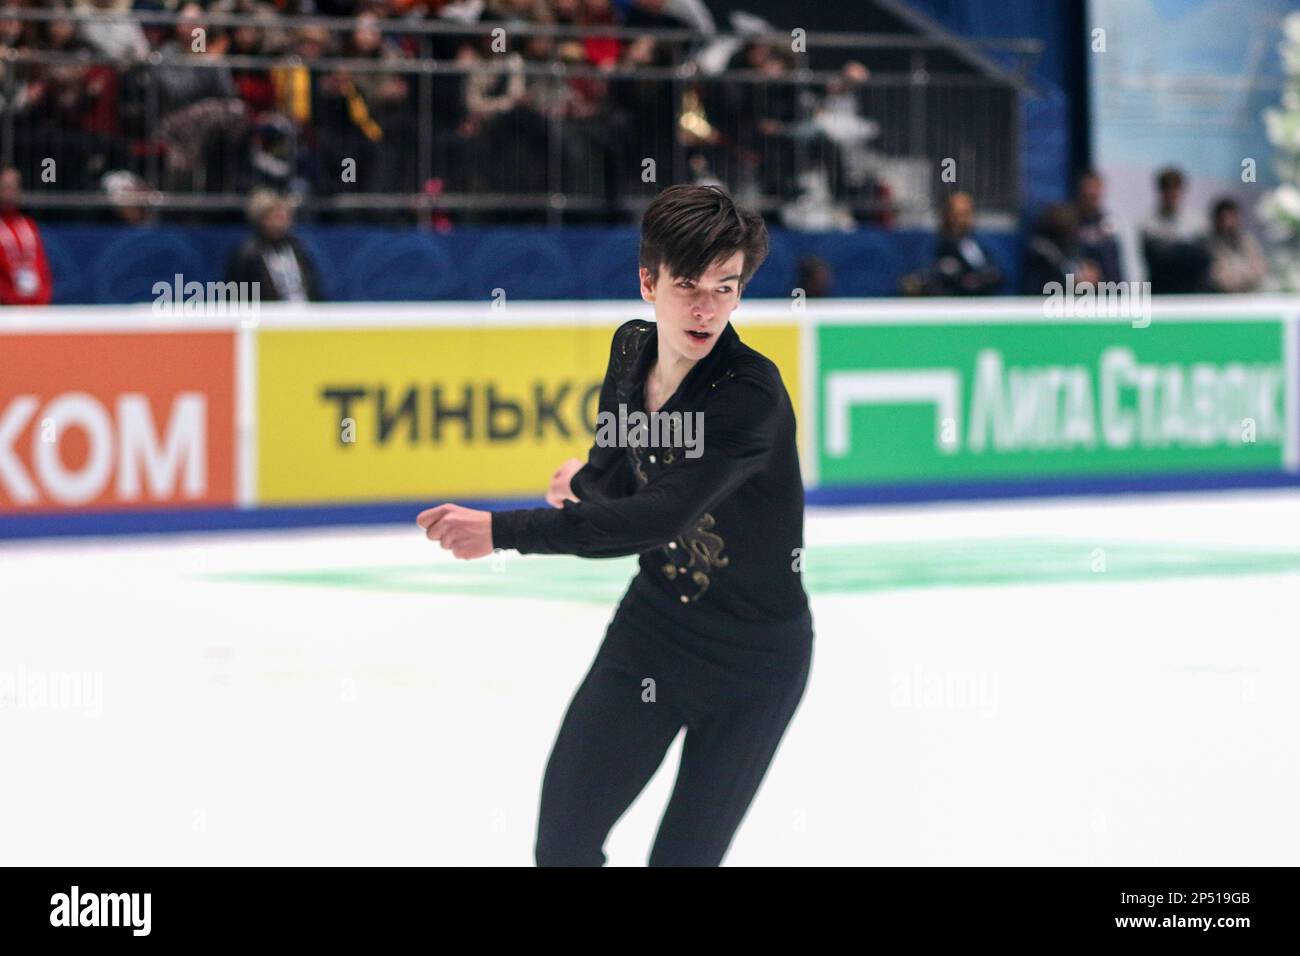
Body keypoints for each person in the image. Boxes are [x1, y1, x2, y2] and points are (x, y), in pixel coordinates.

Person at [417, 184, 813, 866]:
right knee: (564, 845)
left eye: (725, 287)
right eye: (688, 285)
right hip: (652, 635)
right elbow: (619, 486)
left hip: (756, 663)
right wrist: (587, 486)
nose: (705, 308)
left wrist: (504, 532)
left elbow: (655, 518)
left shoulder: (749, 394)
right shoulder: (631, 353)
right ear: (647, 281)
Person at [225, 189, 323, 301]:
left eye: (284, 216)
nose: (280, 221)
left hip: (305, 314)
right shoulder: (247, 254)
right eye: (275, 216)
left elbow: (314, 288)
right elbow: (236, 298)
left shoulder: (298, 247)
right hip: (267, 316)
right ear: (260, 218)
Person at [1141, 166, 1210, 294]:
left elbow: (1202, 259)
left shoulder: (1197, 223)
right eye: (1167, 189)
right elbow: (1157, 262)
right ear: (1160, 191)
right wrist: (1185, 250)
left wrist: (1171, 251)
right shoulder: (1149, 224)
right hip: (1160, 292)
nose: (1171, 194)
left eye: (1175, 188)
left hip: (1192, 290)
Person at [0, 167, 54, 305]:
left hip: (34, 305)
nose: (11, 192)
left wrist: (40, 298)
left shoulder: (28, 225)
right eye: (6, 187)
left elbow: (42, 267)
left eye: (15, 187)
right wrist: (12, 299)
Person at [1021, 202, 1099, 295]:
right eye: (1062, 220)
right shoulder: (1038, 252)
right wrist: (1074, 282)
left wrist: (1093, 277)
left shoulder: (1076, 247)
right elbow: (1040, 287)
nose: (1068, 223)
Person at [1205, 197, 1267, 293]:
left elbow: (1260, 269)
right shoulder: (1209, 246)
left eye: (1233, 217)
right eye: (1225, 218)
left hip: (1252, 297)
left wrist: (1243, 277)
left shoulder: (1247, 241)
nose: (1230, 223)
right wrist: (1246, 276)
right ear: (1217, 220)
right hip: (1222, 300)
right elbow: (1222, 280)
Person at [1075, 169, 1123, 282]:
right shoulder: (1070, 224)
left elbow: (1115, 268)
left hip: (1105, 292)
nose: (1091, 193)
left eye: (1095, 188)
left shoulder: (1111, 224)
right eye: (1088, 188)